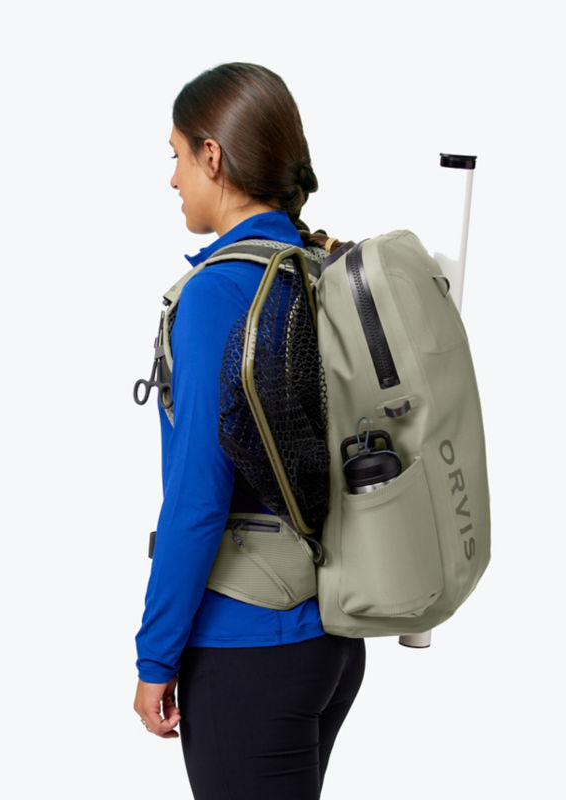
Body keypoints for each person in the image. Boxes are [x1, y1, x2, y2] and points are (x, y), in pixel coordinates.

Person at [133, 63, 366, 799]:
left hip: (245, 644)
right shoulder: (319, 270)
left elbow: (197, 499)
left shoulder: (215, 294)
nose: (173, 178)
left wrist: (154, 656)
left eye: (177, 155)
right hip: (331, 637)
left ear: (213, 155)